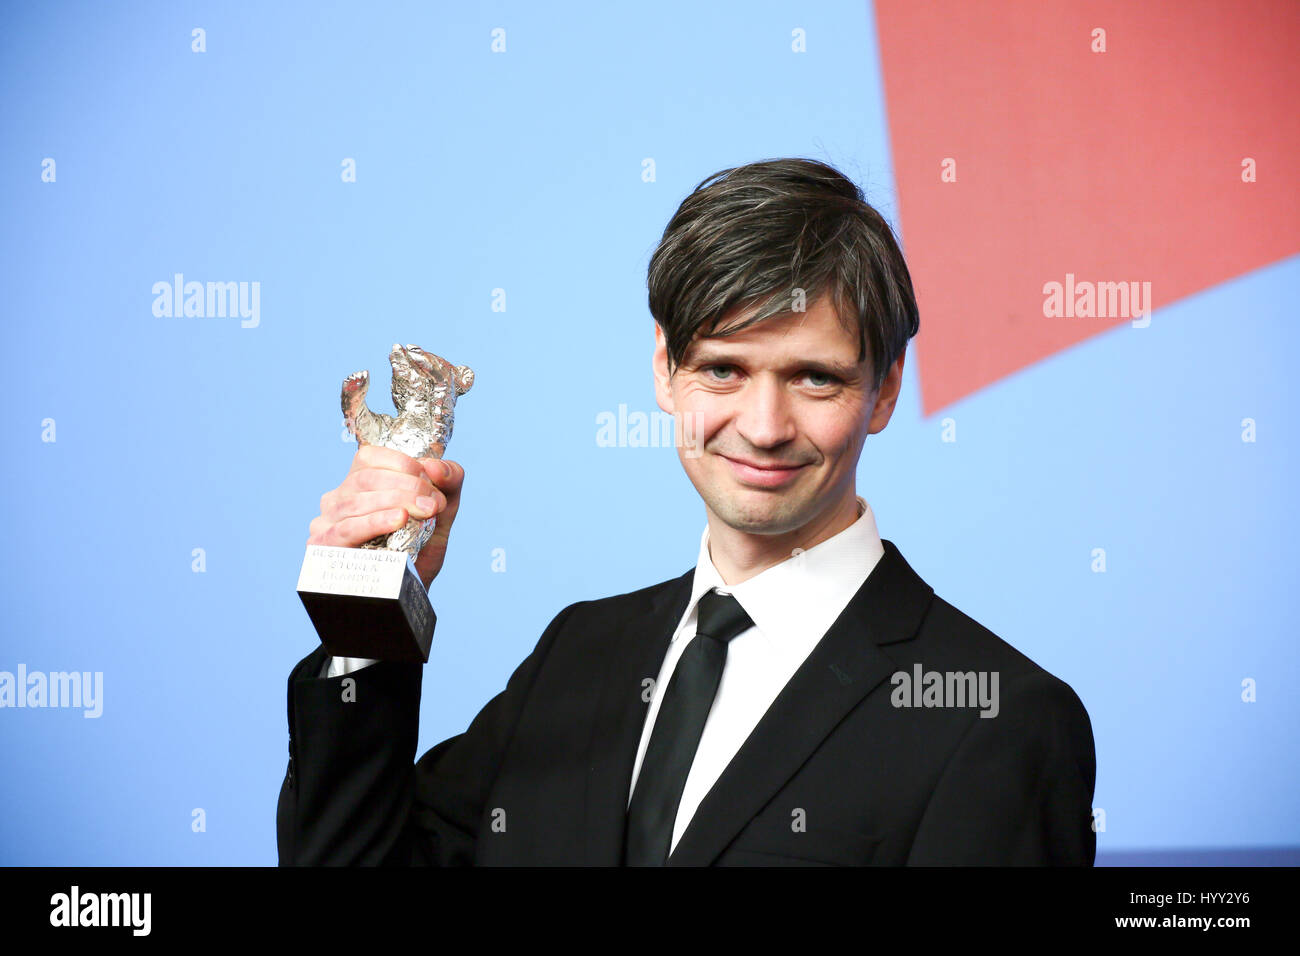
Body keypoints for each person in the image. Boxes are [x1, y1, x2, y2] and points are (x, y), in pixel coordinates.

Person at [277, 157, 1096, 866]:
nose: (766, 428)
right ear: (665, 369)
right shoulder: (577, 657)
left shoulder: (996, 717)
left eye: (816, 378)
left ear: (884, 388)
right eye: (724, 371)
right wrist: (366, 622)